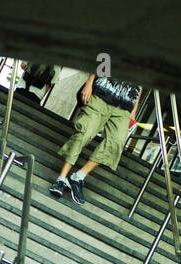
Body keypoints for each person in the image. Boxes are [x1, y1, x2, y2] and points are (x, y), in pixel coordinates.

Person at [49, 73, 143, 205]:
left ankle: (78, 176)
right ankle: (61, 179)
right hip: (103, 94)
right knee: (85, 133)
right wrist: (89, 82)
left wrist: (134, 108)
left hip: (125, 106)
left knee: (117, 142)